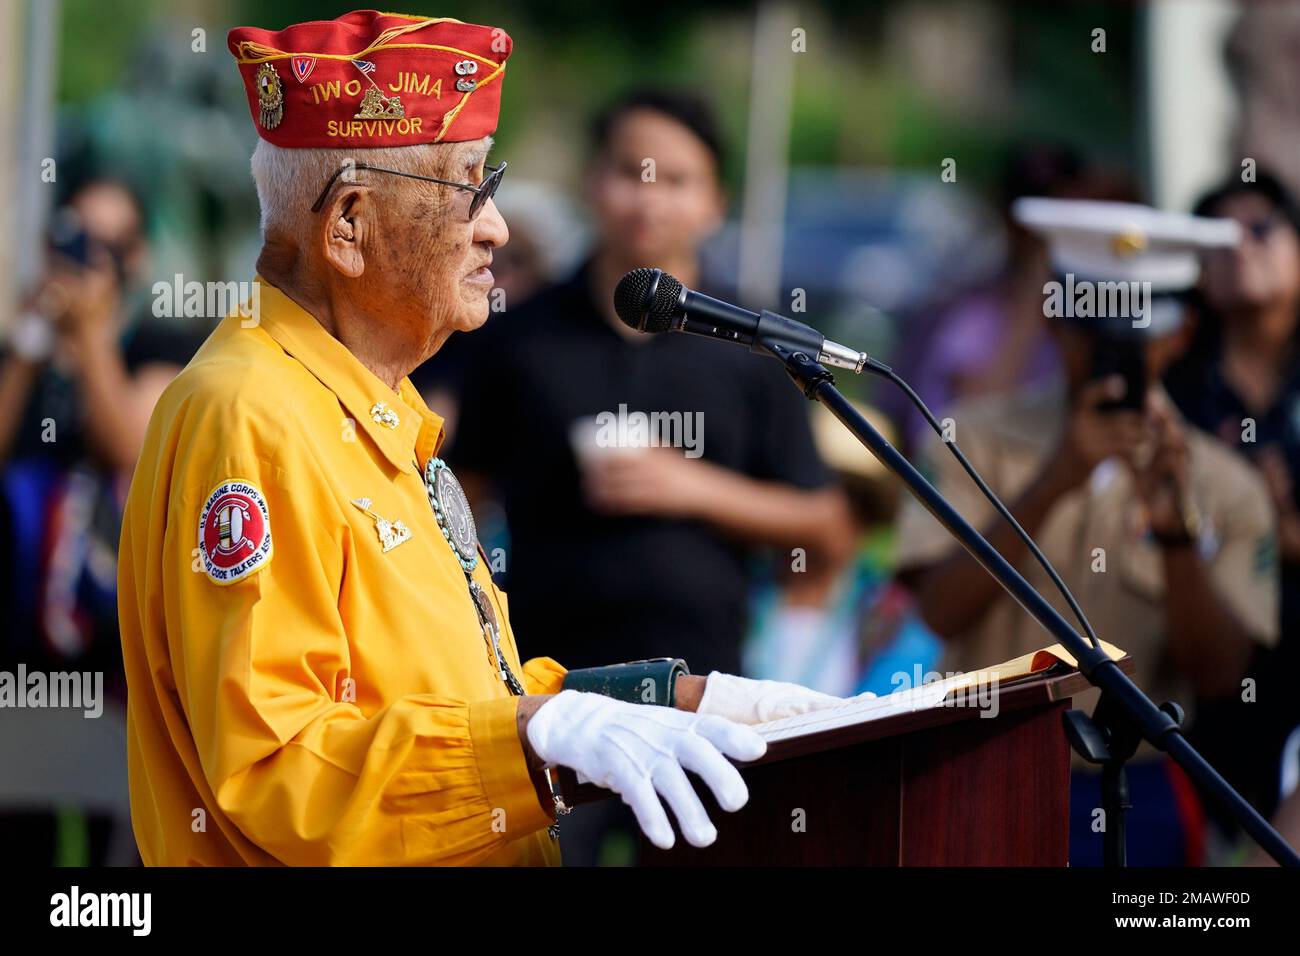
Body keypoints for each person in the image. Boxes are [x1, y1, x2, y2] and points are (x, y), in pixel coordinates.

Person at [118, 10, 864, 868]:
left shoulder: (361, 405)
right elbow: (279, 766)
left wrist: (675, 699)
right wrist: (536, 739)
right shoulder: (252, 413)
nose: (498, 228)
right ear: (349, 226)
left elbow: (464, 699)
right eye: (469, 184)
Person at [447, 88, 848, 864]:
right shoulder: (519, 334)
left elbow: (826, 528)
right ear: (593, 182)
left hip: (705, 688)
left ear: (716, 203)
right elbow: (456, 496)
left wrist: (693, 488)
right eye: (631, 171)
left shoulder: (754, 341)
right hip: (549, 697)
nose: (648, 196)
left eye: (676, 179)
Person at [894, 198, 1279, 866]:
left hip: (1135, 789)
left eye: (1132, 339)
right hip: (977, 769)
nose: (1103, 359)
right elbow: (937, 608)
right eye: (1088, 332)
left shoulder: (1224, 484)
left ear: (1182, 331)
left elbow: (1219, 675)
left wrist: (1179, 537)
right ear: (1054, 318)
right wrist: (1053, 481)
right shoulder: (970, 439)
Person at [1165, 170, 1300, 832]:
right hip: (1203, 677)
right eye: (1217, 235)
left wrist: (1284, 527)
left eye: (1261, 228)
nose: (1240, 246)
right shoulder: (1171, 387)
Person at [744, 400, 943, 697]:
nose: (831, 511)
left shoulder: (897, 623)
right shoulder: (732, 590)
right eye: (809, 488)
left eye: (855, 497)